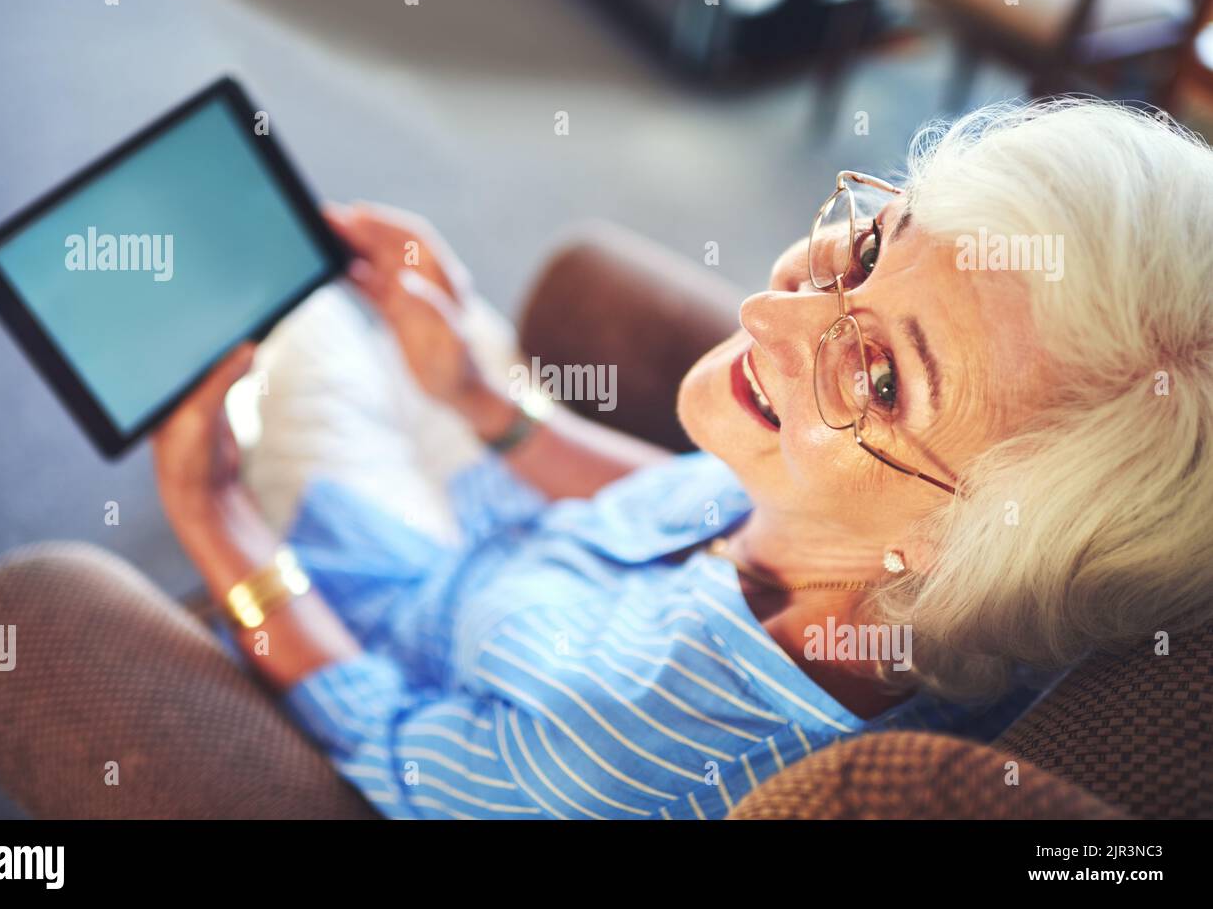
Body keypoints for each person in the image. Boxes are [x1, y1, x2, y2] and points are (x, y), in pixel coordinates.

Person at [151, 98, 1213, 819]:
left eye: (881, 377)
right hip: (515, 540)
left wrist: (213, 518)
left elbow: (392, 740)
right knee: (364, 291)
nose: (769, 309)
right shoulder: (858, 540)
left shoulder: (635, 740)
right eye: (878, 245)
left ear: (973, 544)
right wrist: (487, 409)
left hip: (399, 615)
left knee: (290, 321)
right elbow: (670, 505)